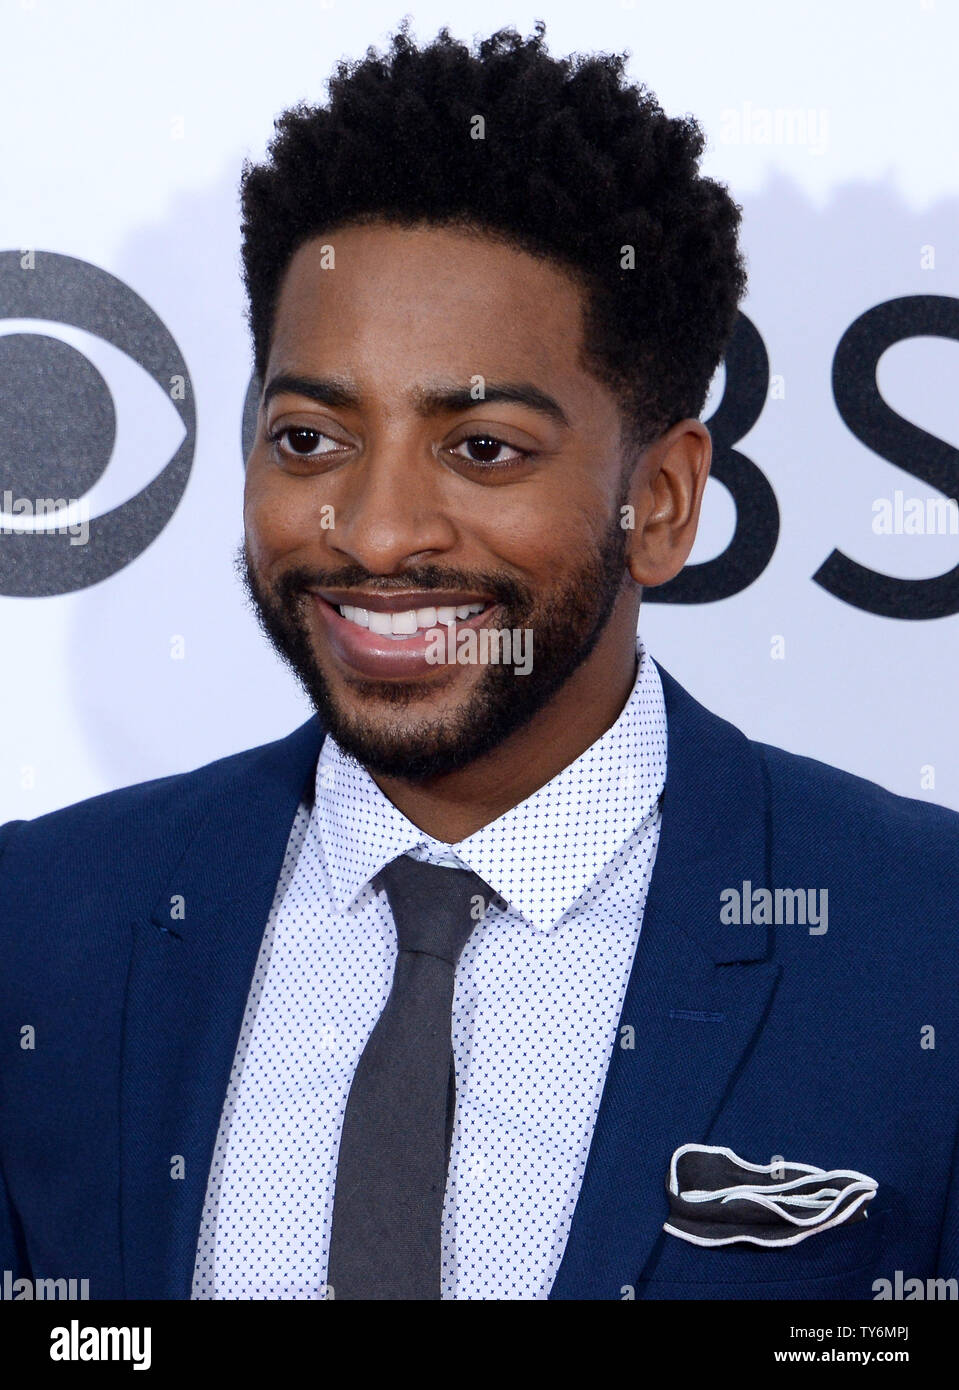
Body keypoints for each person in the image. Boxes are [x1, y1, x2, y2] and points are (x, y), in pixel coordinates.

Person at [1, 21, 957, 1302]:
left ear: (661, 503)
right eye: (307, 439)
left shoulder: (918, 938)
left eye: (484, 447)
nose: (378, 530)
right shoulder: (43, 923)